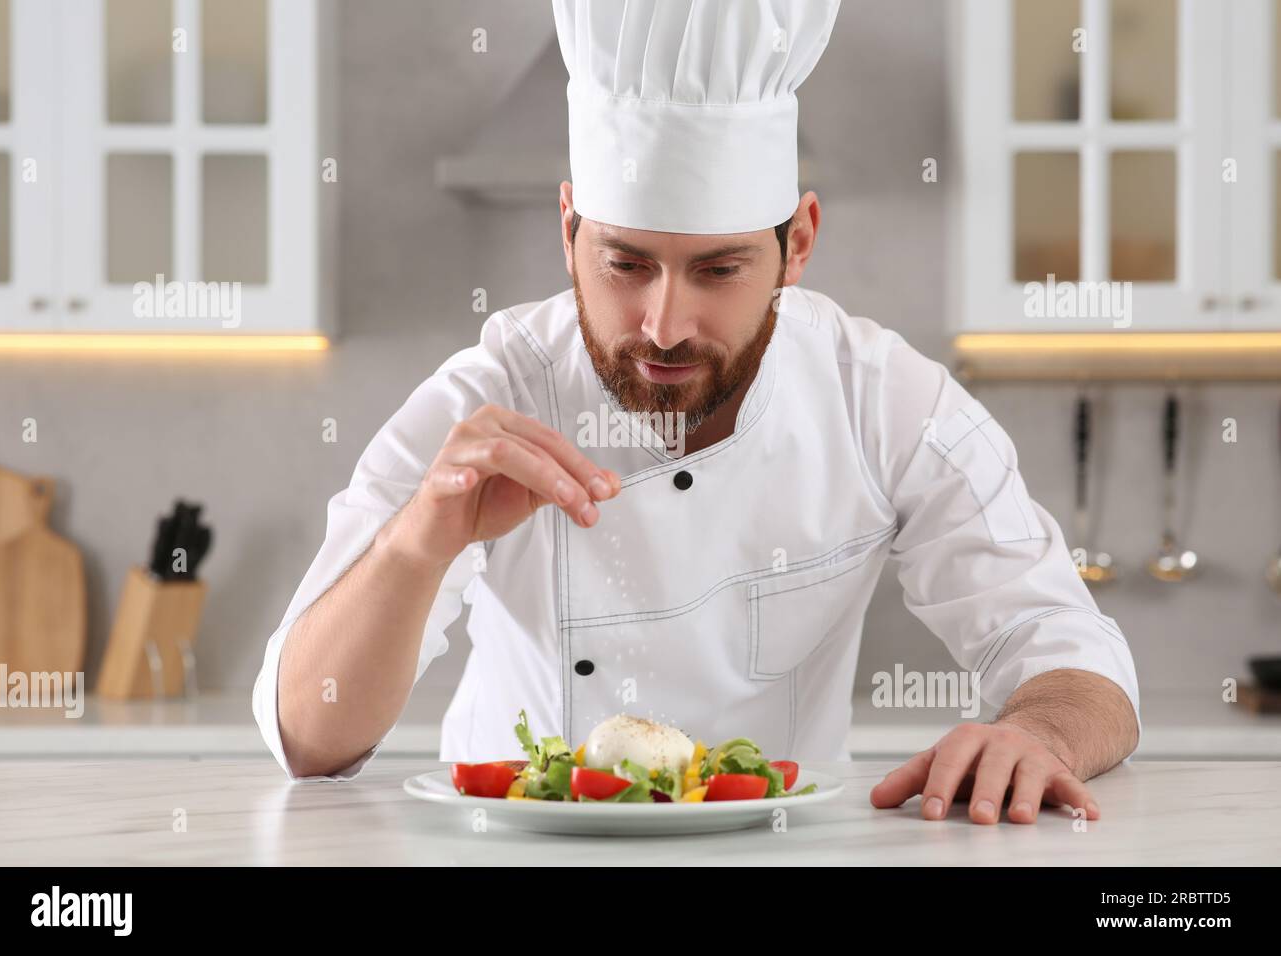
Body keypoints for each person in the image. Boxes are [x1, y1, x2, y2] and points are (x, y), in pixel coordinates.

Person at [253, 0, 1140, 826]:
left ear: (798, 243)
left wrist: (1042, 735)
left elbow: (1066, 645)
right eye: (624, 264)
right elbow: (307, 736)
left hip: (777, 859)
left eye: (717, 270)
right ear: (568, 230)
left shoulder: (882, 400)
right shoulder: (490, 399)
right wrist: (420, 541)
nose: (664, 326)